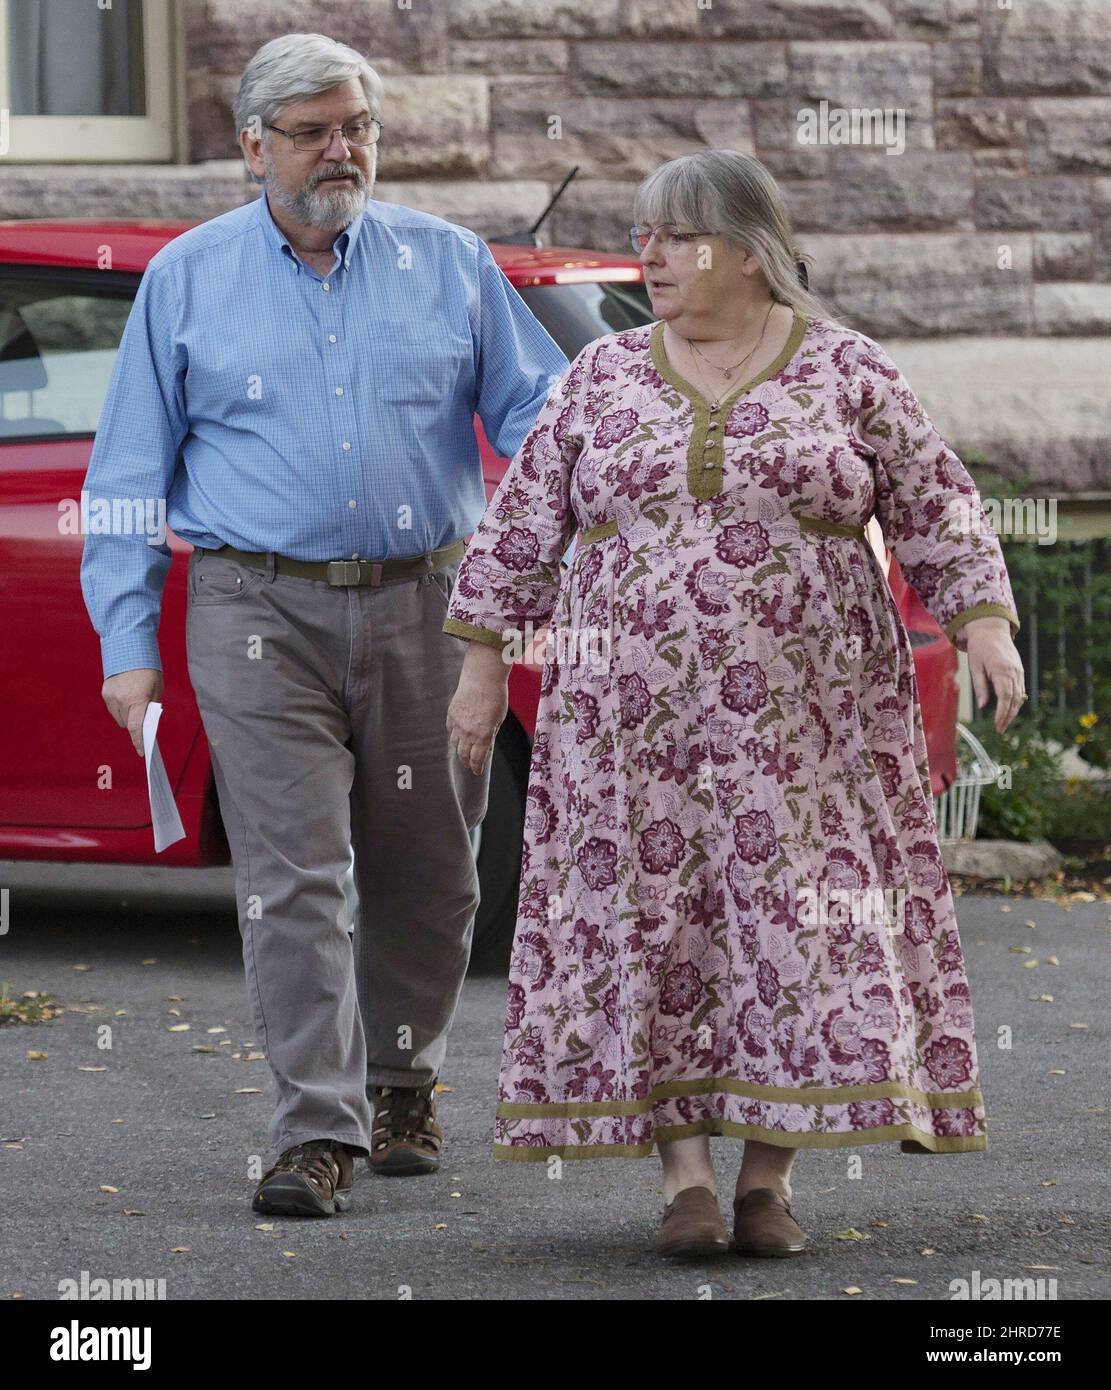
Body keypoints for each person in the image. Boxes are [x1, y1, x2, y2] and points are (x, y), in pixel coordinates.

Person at [441, 148, 1025, 1259]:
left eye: (675, 235)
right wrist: (479, 669)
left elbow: (934, 500)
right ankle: (685, 1182)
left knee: (794, 928)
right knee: (656, 923)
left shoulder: (846, 369)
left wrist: (982, 623)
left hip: (809, 735)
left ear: (749, 253)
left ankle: (768, 1179)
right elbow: (519, 529)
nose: (648, 254)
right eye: (642, 233)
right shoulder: (601, 376)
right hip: (627, 733)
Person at [79, 32, 568, 1218]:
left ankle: (403, 1079)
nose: (340, 149)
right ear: (253, 146)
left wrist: (557, 547)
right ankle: (315, 1126)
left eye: (356, 126)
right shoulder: (186, 280)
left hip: (426, 600)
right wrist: (127, 640)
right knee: (291, 876)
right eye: (312, 130)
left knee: (431, 867)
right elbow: (129, 477)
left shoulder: (450, 265)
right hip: (255, 606)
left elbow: (551, 414)